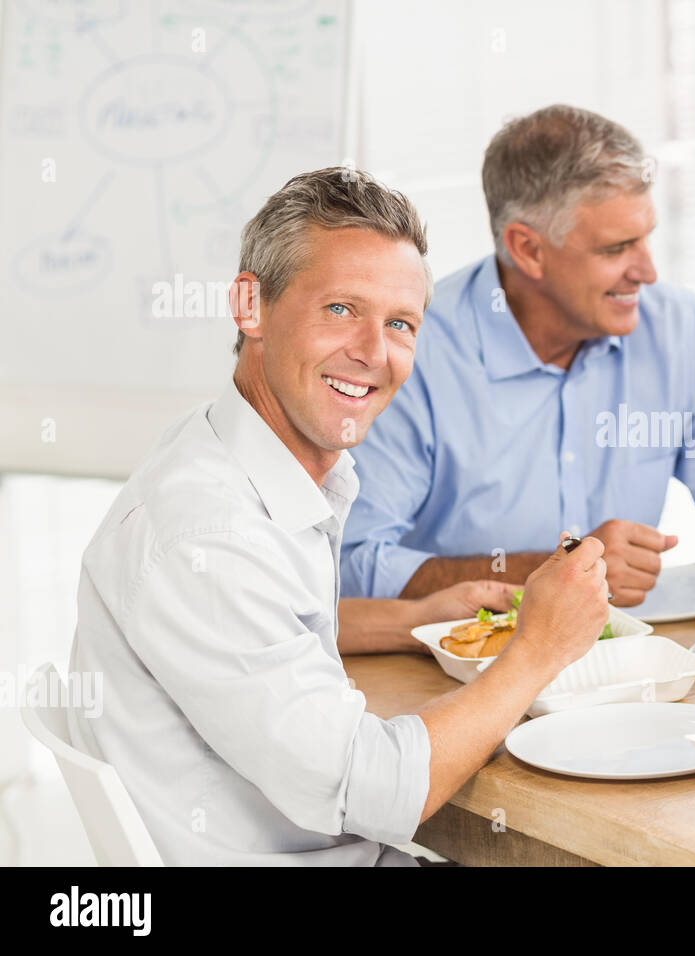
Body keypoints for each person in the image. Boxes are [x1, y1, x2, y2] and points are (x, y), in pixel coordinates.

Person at [67, 168, 610, 865]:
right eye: (340, 310)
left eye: (399, 324)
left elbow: (267, 622)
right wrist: (540, 647)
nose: (374, 354)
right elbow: (376, 790)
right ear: (250, 307)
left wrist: (416, 622)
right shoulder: (204, 533)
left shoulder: (226, 459)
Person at [340, 105, 695, 606]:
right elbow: (354, 561)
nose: (647, 271)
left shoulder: (677, 327)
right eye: (616, 249)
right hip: (453, 667)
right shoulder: (410, 350)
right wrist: (566, 570)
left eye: (646, 238)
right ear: (528, 249)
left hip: (637, 663)